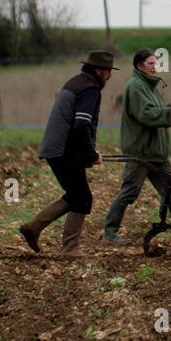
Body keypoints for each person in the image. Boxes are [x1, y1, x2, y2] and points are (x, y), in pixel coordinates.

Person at [102, 48, 171, 243]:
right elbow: (147, 115)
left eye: (155, 64)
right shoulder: (136, 87)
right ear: (139, 66)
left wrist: (170, 108)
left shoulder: (150, 87)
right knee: (129, 193)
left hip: (156, 153)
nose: (154, 68)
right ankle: (110, 232)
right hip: (140, 152)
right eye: (150, 64)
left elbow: (155, 111)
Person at [19, 50, 113, 257]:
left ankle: (33, 228)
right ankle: (70, 248)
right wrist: (90, 153)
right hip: (65, 150)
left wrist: (87, 151)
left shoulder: (75, 82)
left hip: (57, 148)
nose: (109, 76)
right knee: (83, 198)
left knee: (76, 195)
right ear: (98, 70)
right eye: (107, 71)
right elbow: (81, 125)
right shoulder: (90, 90)